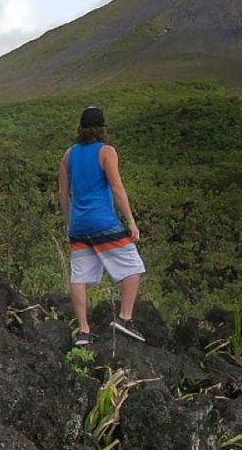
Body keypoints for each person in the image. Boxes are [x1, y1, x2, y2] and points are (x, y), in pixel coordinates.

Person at [57, 106, 146, 346]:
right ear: (102, 129)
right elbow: (116, 188)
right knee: (133, 267)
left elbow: (63, 193)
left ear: (80, 128)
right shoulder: (106, 151)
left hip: (78, 226)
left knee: (79, 275)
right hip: (102, 222)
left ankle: (84, 331)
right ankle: (124, 318)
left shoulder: (68, 154)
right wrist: (131, 221)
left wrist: (69, 223)